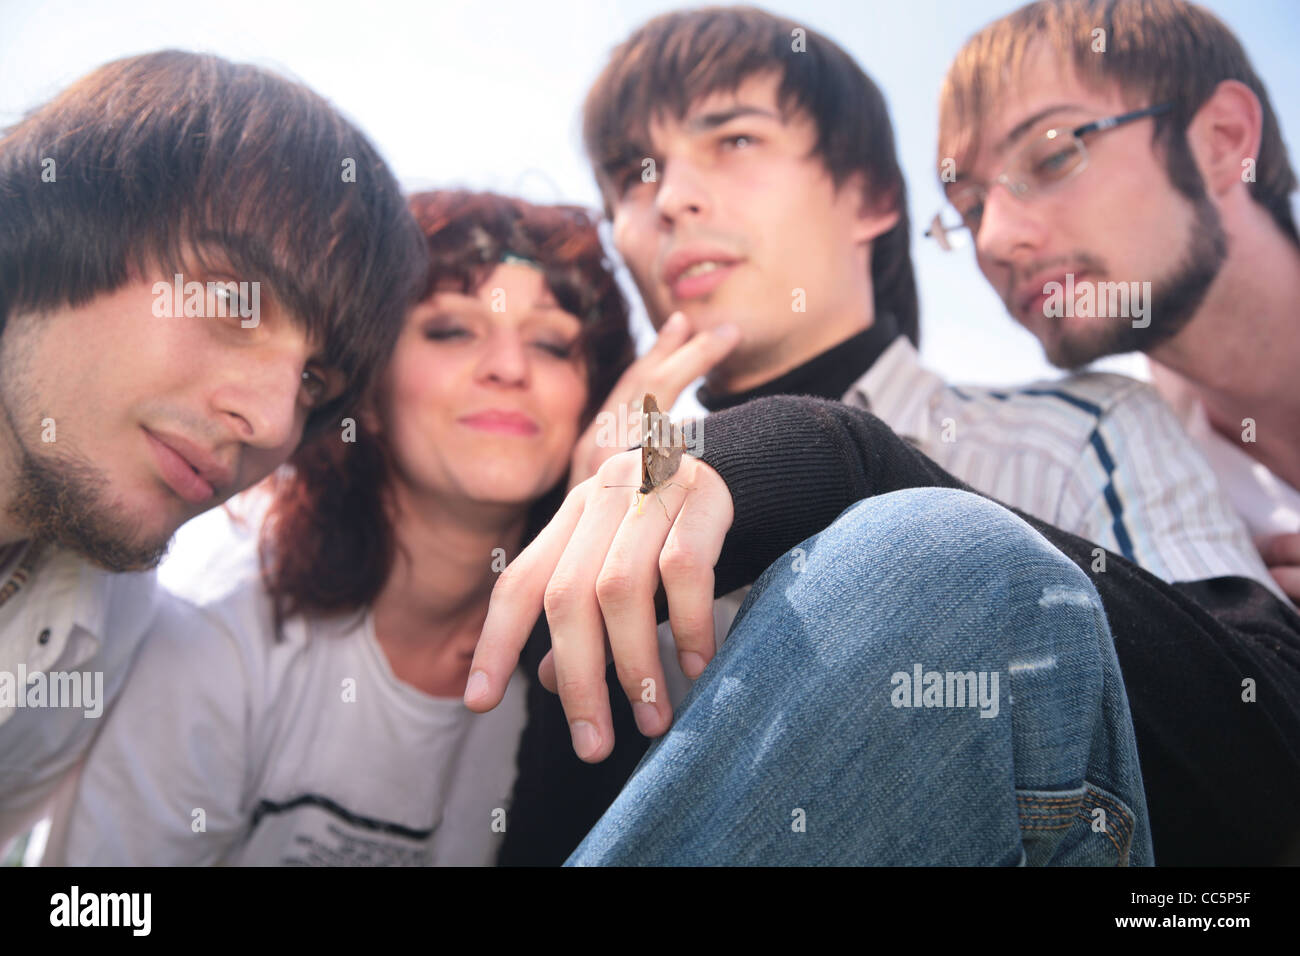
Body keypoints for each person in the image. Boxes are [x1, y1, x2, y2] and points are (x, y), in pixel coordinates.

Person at [469, 6, 1300, 866]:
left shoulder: (1076, 430)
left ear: (869, 194)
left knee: (927, 550)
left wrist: (851, 463)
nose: (669, 196)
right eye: (632, 177)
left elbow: (1272, 757)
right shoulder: (613, 477)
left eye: (736, 141)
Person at [43, 191, 644, 864]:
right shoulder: (221, 634)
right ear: (366, 394)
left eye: (552, 344)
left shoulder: (623, 658)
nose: (510, 368)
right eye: (451, 330)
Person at [0, 50, 427, 853]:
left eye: (312, 383)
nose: (269, 422)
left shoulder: (111, 625)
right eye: (232, 302)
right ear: (51, 222)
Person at [934, 0, 1300, 602]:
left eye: (1053, 156)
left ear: (1222, 140)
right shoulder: (1134, 474)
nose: (995, 239)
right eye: (969, 209)